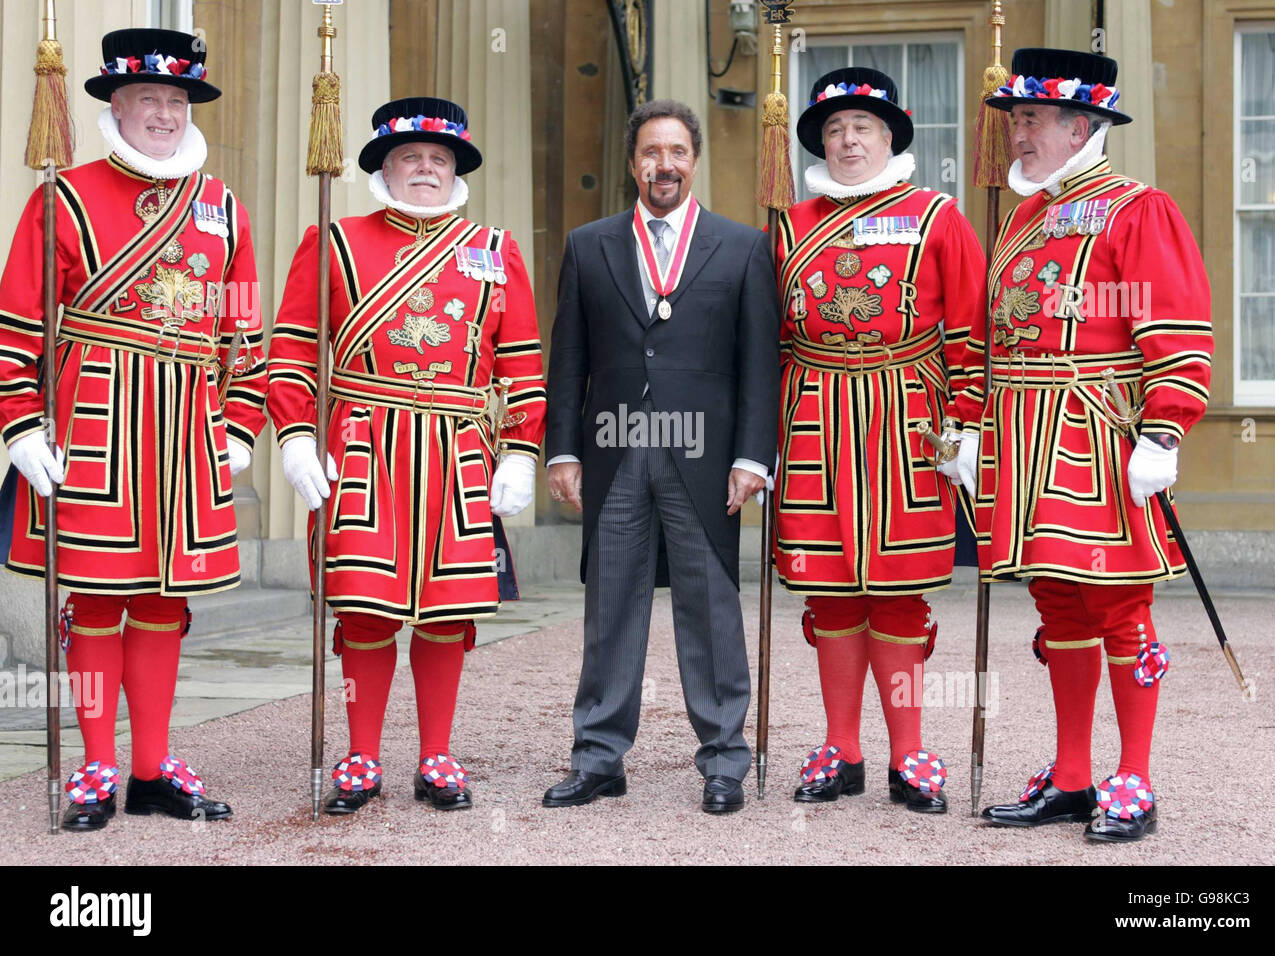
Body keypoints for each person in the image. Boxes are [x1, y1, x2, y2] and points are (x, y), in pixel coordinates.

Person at [0, 29, 266, 829]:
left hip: (188, 429)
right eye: (147, 99)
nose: (163, 114)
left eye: (176, 101)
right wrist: (19, 425)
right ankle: (95, 766)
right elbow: (17, 323)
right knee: (98, 598)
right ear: (115, 104)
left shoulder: (224, 207)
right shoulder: (63, 196)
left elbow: (244, 333)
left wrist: (242, 424)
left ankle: (150, 768)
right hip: (93, 425)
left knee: (162, 600)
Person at [950, 49, 1213, 842]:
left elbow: (1176, 326)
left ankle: (1133, 775)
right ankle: (1070, 776)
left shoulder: (1140, 208)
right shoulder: (1026, 215)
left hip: (1096, 431)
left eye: (1030, 119)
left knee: (1117, 603)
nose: (1016, 135)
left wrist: (1164, 429)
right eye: (1016, 119)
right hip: (1022, 436)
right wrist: (966, 425)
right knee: (1057, 601)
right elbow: (989, 336)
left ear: (1082, 125)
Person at [268, 97, 545, 814]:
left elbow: (518, 363)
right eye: (410, 158)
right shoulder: (332, 240)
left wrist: (519, 450)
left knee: (447, 613)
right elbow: (293, 349)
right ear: (384, 168)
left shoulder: (495, 246)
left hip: (457, 452)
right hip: (363, 448)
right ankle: (360, 755)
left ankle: (437, 753)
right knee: (364, 609)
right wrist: (295, 434)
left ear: (455, 169)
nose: (424, 169)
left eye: (438, 159)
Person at [543, 99, 780, 814]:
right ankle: (599, 757)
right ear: (632, 163)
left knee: (710, 607)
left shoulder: (741, 247)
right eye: (650, 152)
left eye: (676, 151)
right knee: (611, 605)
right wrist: (561, 449)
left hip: (704, 455)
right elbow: (568, 361)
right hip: (613, 448)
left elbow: (759, 365)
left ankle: (723, 761)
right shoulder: (589, 246)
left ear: (694, 160)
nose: (664, 164)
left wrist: (752, 457)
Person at [771, 68, 985, 813]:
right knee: (831, 594)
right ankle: (843, 747)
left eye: (862, 127)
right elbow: (769, 341)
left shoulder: (937, 216)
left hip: (907, 422)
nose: (849, 140)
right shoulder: (789, 224)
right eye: (834, 129)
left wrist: (966, 423)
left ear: (889, 136)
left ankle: (909, 750)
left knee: (896, 593)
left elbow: (969, 331)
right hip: (812, 423)